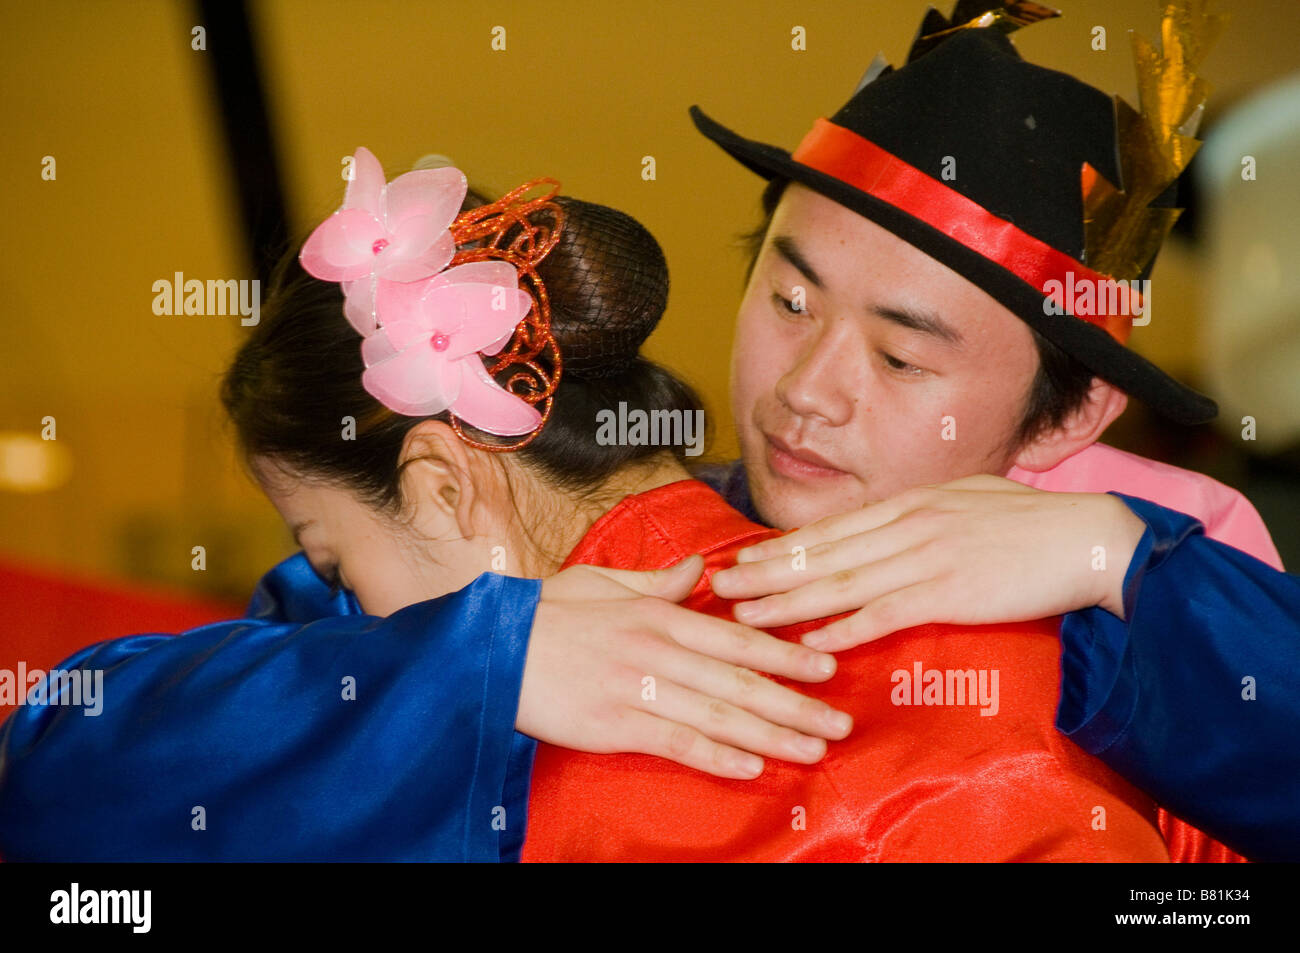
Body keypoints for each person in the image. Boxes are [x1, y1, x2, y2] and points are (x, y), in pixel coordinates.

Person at [3, 1, 1296, 861]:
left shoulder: (1126, 611)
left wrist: (1122, 562)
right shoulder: (481, 622)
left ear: (1064, 419)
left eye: (904, 352)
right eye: (787, 295)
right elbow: (62, 761)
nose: (808, 389)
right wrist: (479, 665)